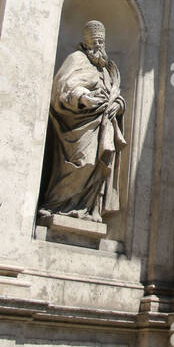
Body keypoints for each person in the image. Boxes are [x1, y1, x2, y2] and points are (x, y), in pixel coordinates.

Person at [40, 20, 126, 222]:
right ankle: (55, 206)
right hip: (77, 125)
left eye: (101, 42)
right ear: (86, 42)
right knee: (83, 162)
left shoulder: (106, 70)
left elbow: (116, 94)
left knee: (98, 165)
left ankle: (86, 209)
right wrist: (83, 98)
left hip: (102, 124)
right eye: (95, 41)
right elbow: (63, 86)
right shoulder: (76, 60)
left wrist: (118, 105)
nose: (98, 45)